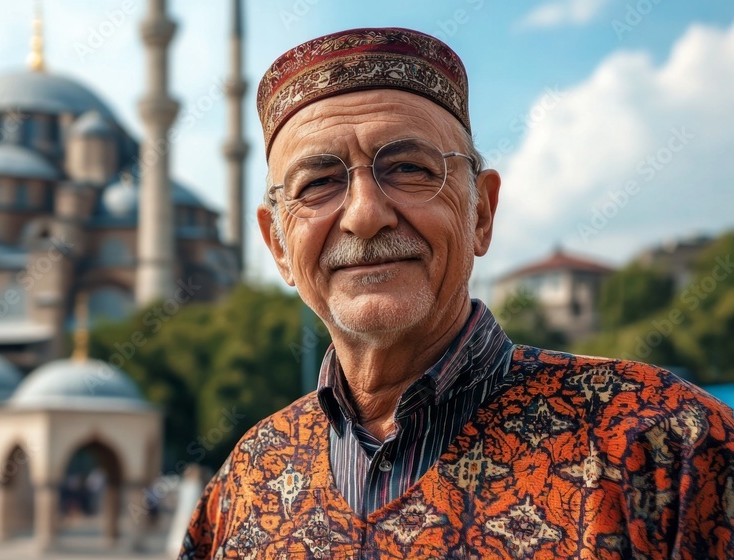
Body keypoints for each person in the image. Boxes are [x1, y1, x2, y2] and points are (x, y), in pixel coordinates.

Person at [180, 27, 734, 558]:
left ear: (482, 214)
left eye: (408, 168)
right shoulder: (248, 481)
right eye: (319, 183)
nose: (366, 215)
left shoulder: (665, 446)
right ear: (278, 244)